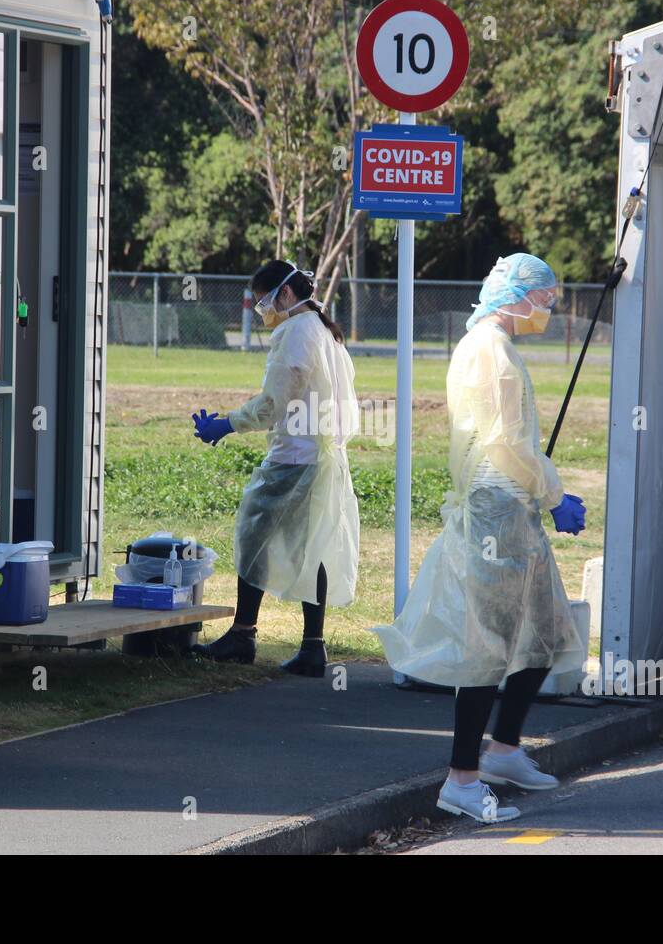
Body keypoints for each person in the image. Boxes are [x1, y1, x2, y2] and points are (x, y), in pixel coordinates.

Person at [373, 253, 587, 823]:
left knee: (546, 634)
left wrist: (544, 496)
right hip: (500, 511)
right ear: (515, 294)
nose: (547, 307)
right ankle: (462, 780)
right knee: (489, 650)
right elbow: (506, 444)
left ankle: (505, 750)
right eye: (542, 296)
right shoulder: (491, 352)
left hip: (513, 512)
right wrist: (553, 494)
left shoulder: (493, 345)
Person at [189, 260, 360, 676]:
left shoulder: (298, 332)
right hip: (320, 457)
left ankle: (243, 635)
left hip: (295, 459)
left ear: (286, 294)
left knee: (253, 537)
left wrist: (226, 424)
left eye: (266, 301)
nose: (263, 311)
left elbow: (273, 404)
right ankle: (312, 648)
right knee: (313, 547)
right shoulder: (324, 330)